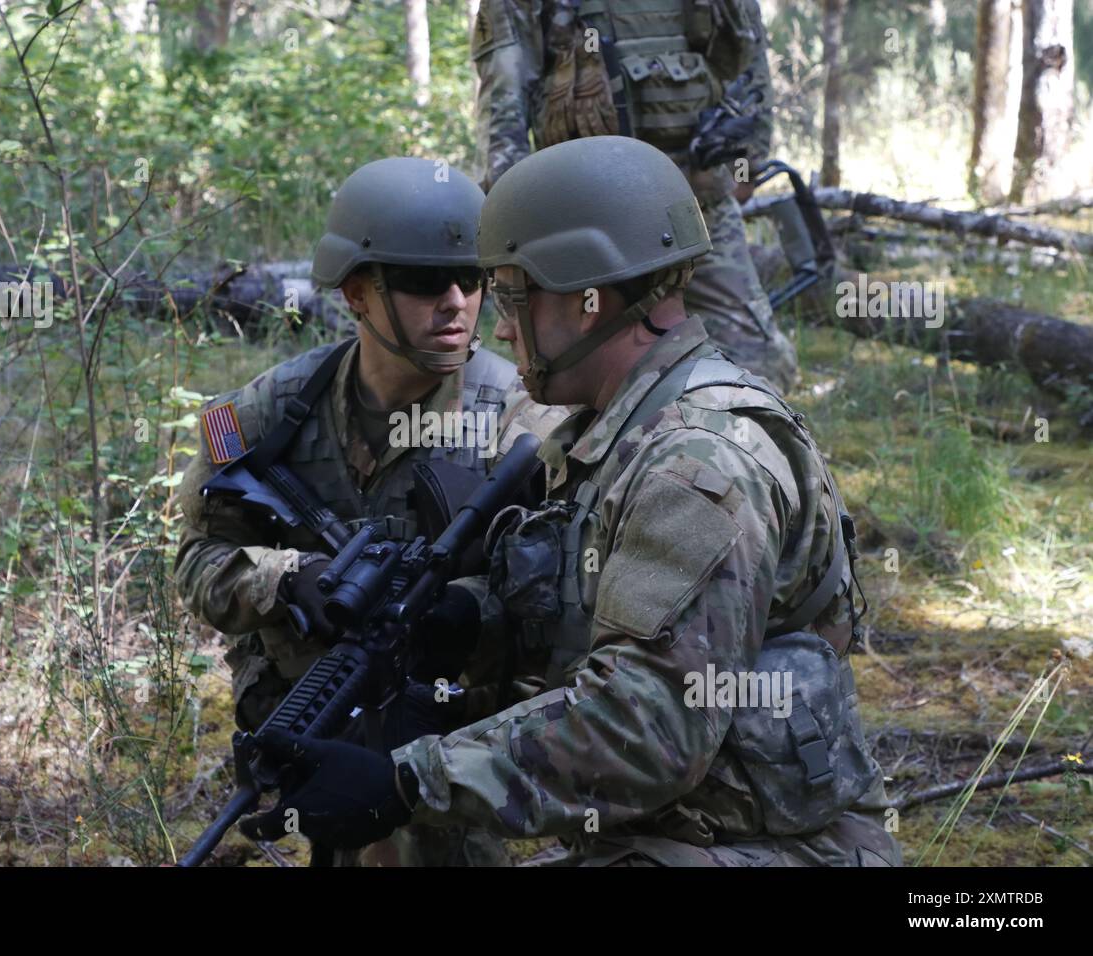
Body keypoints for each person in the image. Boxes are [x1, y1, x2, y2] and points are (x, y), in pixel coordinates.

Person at [238, 137, 902, 868]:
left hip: (772, 848)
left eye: (513, 295)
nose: (497, 324)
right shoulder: (607, 432)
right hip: (677, 833)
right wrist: (471, 620)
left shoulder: (695, 461)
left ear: (586, 303)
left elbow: (649, 728)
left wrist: (405, 783)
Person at [174, 157, 560, 866]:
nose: (455, 302)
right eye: (421, 283)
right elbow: (198, 563)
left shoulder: (523, 423)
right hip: (311, 712)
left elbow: (570, 598)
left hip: (453, 737)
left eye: (472, 279)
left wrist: (466, 612)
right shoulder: (264, 416)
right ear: (358, 292)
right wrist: (287, 579)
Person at [470, 0, 797, 393]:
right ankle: (592, 452)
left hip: (695, 200)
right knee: (572, 366)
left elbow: (750, 58)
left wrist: (748, 157)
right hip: (583, 212)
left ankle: (735, 444)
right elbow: (503, 99)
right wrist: (519, 218)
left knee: (755, 356)